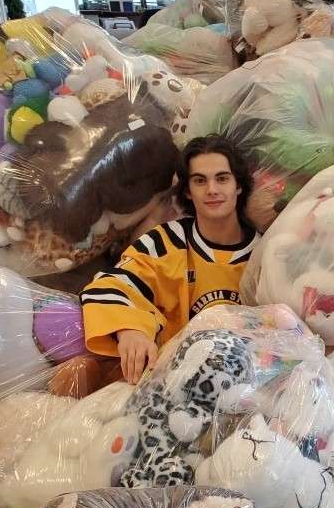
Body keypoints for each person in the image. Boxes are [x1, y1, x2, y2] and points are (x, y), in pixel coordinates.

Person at [81, 135, 259, 384]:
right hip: (170, 385)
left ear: (238, 186)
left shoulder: (265, 252)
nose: (212, 189)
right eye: (200, 180)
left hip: (250, 386)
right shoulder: (165, 242)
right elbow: (109, 285)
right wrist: (130, 329)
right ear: (187, 190)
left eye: (222, 178)